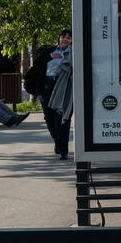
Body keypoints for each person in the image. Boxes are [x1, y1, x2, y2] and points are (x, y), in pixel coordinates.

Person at [39, 29, 73, 159]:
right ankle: (57, 140)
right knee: (49, 118)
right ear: (58, 38)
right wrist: (50, 57)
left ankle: (63, 149)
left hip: (63, 87)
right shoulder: (50, 51)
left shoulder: (73, 53)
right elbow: (39, 63)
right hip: (48, 85)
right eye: (63, 37)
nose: (65, 39)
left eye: (69, 38)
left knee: (62, 118)